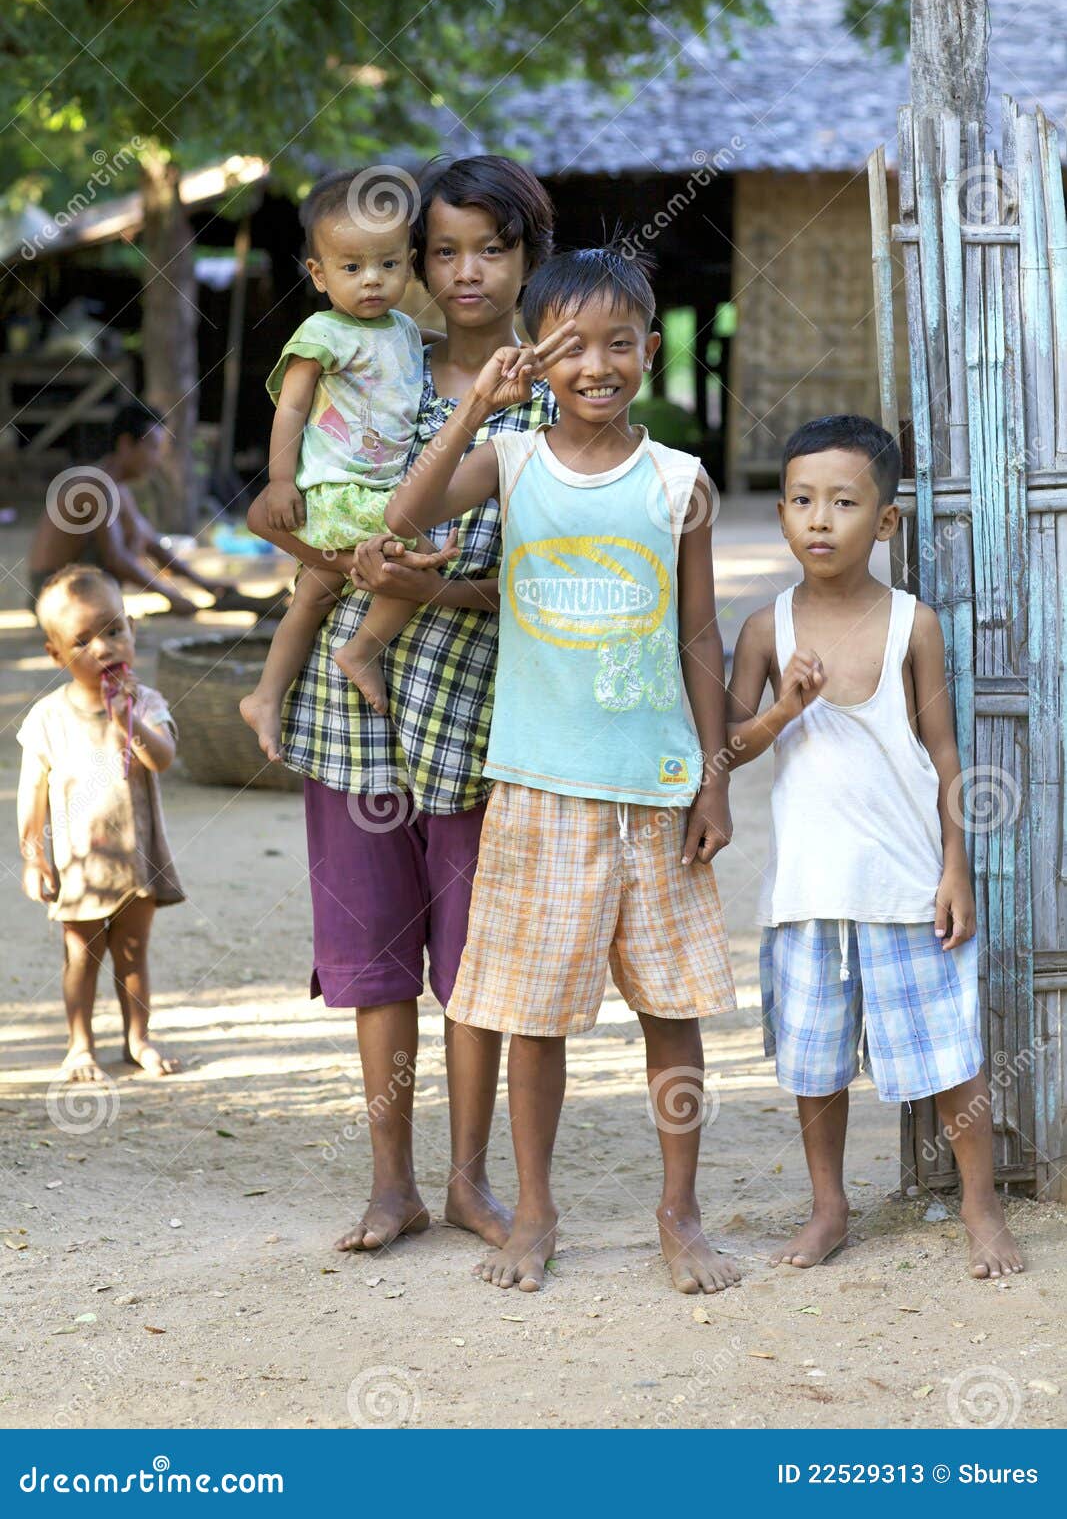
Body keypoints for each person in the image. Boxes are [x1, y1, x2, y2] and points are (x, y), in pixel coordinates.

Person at [386, 245, 738, 1296]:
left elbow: (698, 638)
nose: (597, 364)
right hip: (537, 786)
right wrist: (476, 407)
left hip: (655, 785)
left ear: (648, 348)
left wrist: (713, 777)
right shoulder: (511, 459)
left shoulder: (680, 483)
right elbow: (405, 521)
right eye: (570, 345)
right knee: (533, 1015)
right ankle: (532, 1211)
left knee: (669, 1011)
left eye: (620, 343)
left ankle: (677, 1212)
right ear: (532, 355)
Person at [248, 155, 558, 1256]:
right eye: (444, 251)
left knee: (476, 960)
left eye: (492, 248)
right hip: (354, 711)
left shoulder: (563, 394)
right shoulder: (374, 360)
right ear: (414, 261)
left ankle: (472, 1181)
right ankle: (394, 1184)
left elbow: (564, 583)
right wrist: (334, 550)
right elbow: (269, 510)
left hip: (483, 717)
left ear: (530, 253)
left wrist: (434, 587)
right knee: (375, 955)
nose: (466, 271)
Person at [725, 413, 1023, 1280]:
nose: (819, 519)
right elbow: (731, 745)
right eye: (802, 501)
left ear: (883, 522)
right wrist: (784, 708)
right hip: (808, 890)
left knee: (944, 1054)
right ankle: (829, 1206)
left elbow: (944, 756)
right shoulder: (763, 631)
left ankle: (979, 1203)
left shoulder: (910, 626)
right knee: (814, 1063)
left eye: (844, 502)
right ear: (780, 512)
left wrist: (955, 869)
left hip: (902, 884)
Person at [239, 170, 455, 755]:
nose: (371, 282)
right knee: (415, 562)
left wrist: (458, 342)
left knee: (311, 593)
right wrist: (282, 481)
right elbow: (290, 412)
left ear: (408, 265)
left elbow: (425, 345)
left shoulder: (405, 329)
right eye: (352, 268)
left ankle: (265, 695)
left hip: (381, 485)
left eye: (387, 265)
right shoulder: (322, 332)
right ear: (318, 273)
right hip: (340, 491)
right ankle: (362, 648)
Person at [17, 565, 184, 1083]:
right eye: (83, 640)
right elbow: (32, 792)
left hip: (136, 859)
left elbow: (163, 758)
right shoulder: (48, 718)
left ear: (132, 628)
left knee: (132, 956)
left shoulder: (146, 703)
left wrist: (128, 724)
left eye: (114, 631)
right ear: (56, 654)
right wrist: (33, 855)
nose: (104, 648)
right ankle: (80, 1046)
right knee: (80, 956)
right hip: (78, 865)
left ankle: (138, 1038)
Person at [26, 404, 279, 618]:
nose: (156, 459)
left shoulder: (115, 486)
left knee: (137, 535)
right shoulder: (96, 487)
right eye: (152, 448)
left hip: (73, 589)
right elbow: (116, 558)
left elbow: (152, 544)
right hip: (53, 596)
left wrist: (205, 585)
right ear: (126, 444)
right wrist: (170, 595)